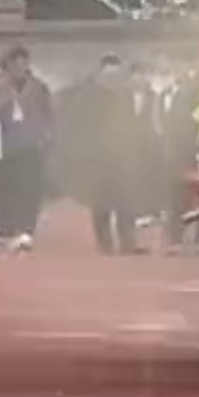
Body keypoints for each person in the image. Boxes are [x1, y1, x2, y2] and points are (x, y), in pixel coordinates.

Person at [82, 55, 145, 254]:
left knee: (126, 201)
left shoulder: (125, 95)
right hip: (99, 156)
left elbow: (133, 123)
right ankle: (105, 243)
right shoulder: (90, 96)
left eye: (116, 74)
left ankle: (128, 242)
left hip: (123, 155)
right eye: (108, 74)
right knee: (101, 202)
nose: (112, 78)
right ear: (100, 73)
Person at [0, 46, 54, 249]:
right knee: (10, 189)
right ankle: (10, 228)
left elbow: (49, 115)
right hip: (9, 145)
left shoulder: (39, 87)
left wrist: (45, 138)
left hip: (32, 144)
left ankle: (28, 230)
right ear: (9, 65)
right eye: (15, 63)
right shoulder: (2, 87)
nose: (19, 67)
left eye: (23, 62)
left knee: (30, 189)